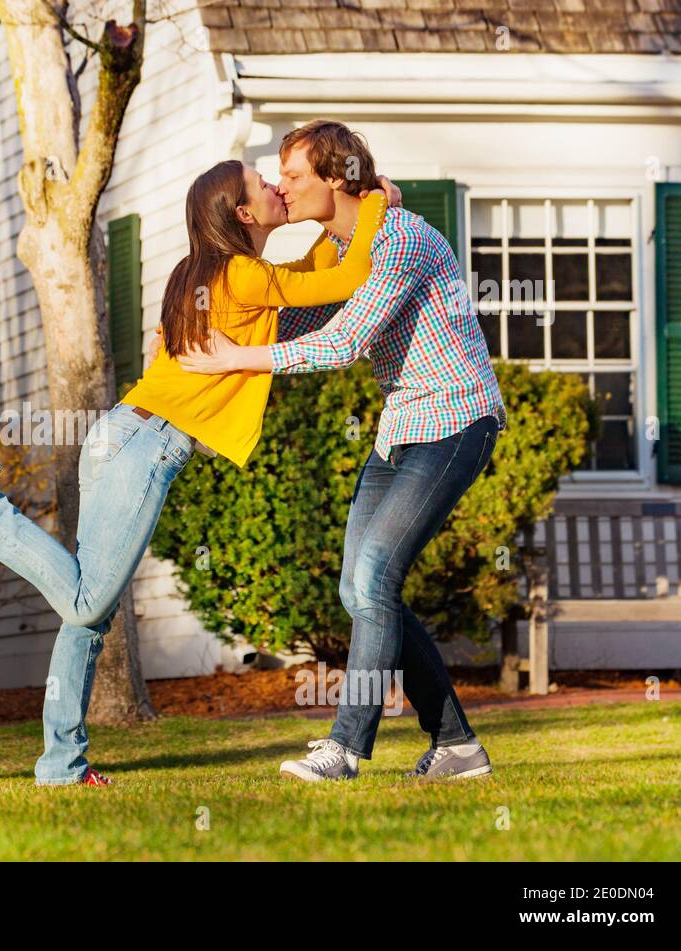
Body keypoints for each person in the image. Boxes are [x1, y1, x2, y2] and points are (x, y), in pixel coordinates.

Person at [0, 159, 390, 786]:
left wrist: (337, 218)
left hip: (123, 434)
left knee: (88, 617)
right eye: (261, 185)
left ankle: (61, 766)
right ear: (242, 214)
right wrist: (373, 202)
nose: (273, 185)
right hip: (145, 445)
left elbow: (313, 271)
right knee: (86, 600)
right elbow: (347, 276)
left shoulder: (211, 273)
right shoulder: (239, 273)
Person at [179, 120, 506, 783]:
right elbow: (298, 314)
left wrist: (239, 355)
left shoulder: (401, 241)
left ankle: (346, 748)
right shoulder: (343, 244)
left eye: (294, 175)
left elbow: (341, 343)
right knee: (363, 586)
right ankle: (456, 744)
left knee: (374, 574)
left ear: (337, 177)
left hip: (455, 421)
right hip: (400, 429)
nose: (282, 186)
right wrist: (216, 312)